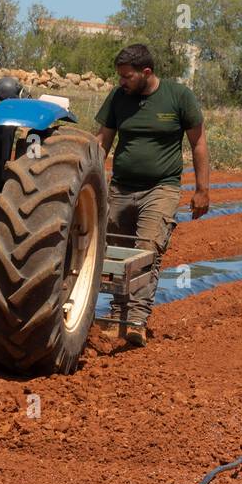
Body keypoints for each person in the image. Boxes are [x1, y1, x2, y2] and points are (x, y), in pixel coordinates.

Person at [96, 43, 211, 346]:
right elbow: (102, 141)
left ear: (146, 73)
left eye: (127, 76)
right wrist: (88, 180)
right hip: (120, 187)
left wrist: (202, 190)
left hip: (161, 187)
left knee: (147, 249)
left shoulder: (178, 96)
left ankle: (136, 320)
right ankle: (117, 315)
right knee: (115, 251)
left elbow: (198, 142)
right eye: (120, 76)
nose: (122, 82)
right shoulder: (119, 98)